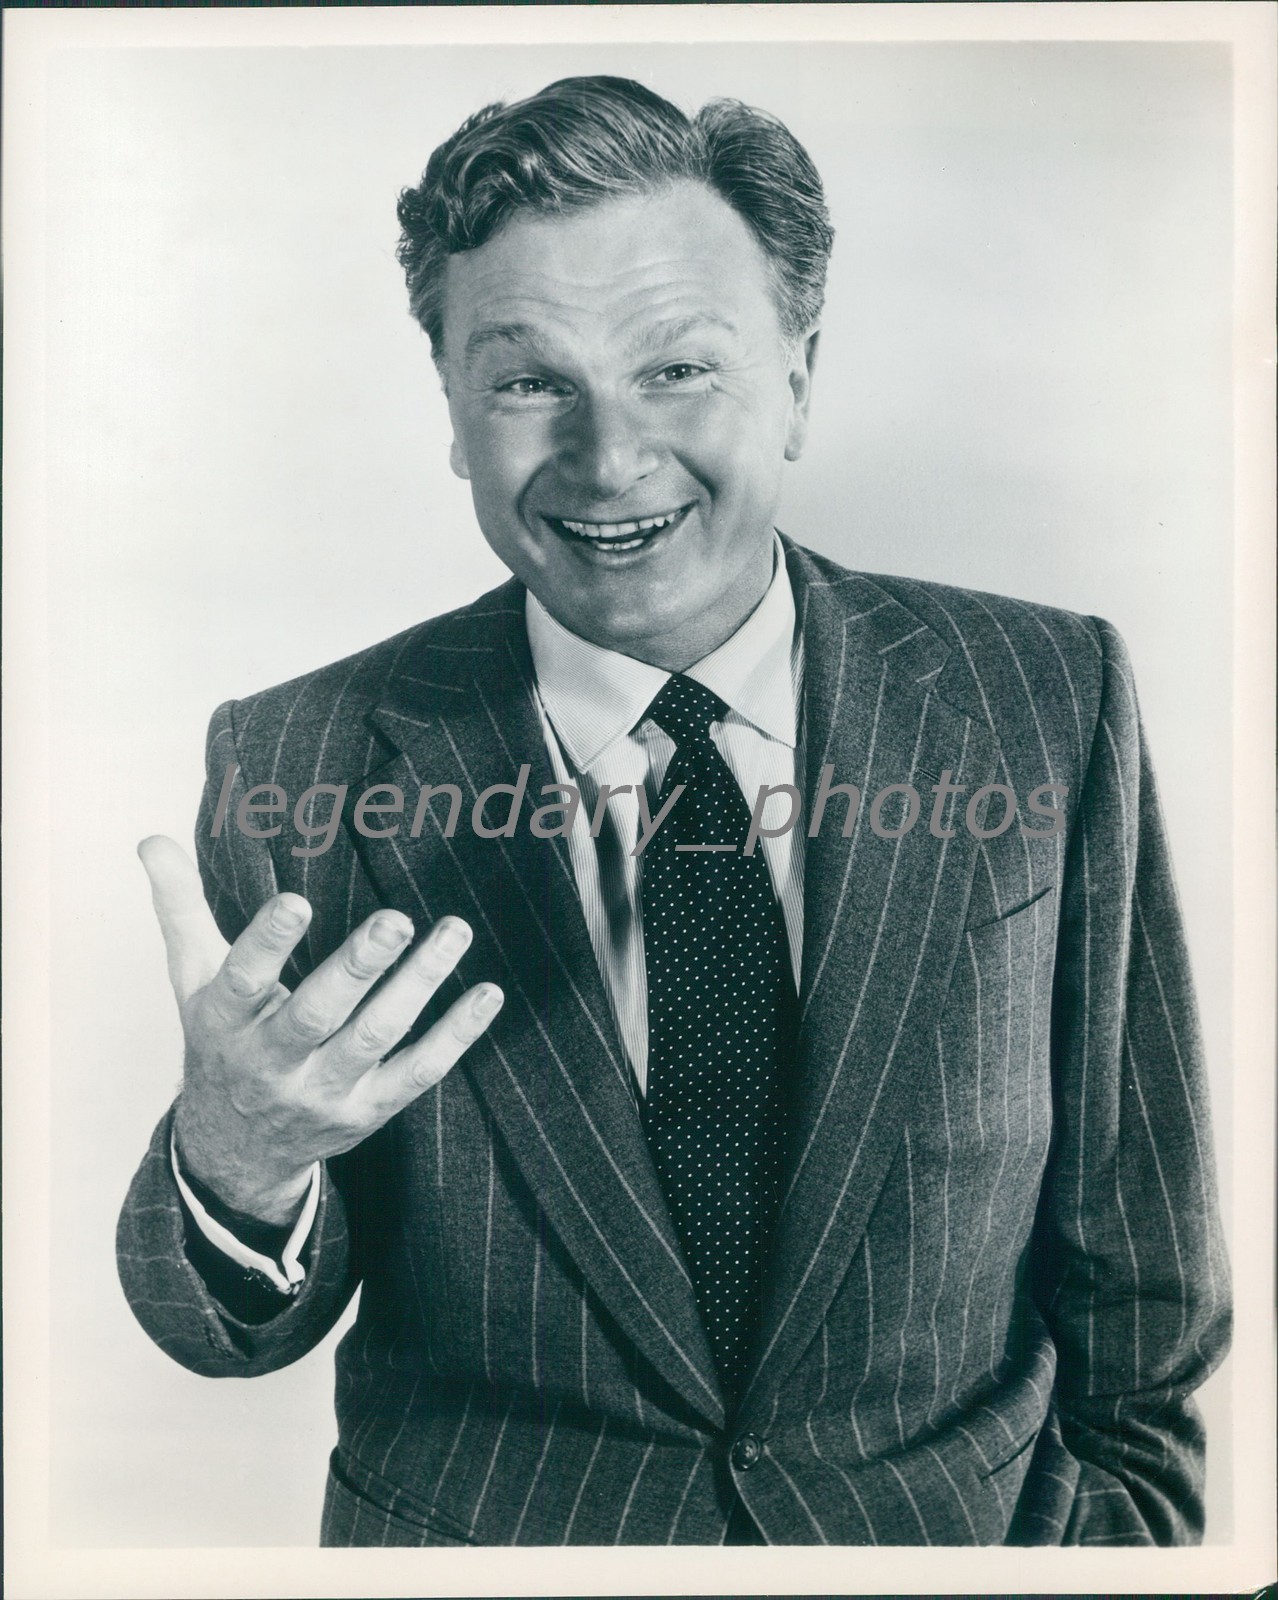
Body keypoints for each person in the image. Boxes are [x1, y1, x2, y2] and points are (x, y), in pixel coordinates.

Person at [117, 75, 1230, 1546]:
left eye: (675, 368)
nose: (607, 458)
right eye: (525, 380)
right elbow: (226, 1332)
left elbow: (1139, 1267)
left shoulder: (1039, 693)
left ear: (799, 376)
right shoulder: (299, 761)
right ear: (451, 407)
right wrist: (241, 1155)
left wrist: (1122, 1556)